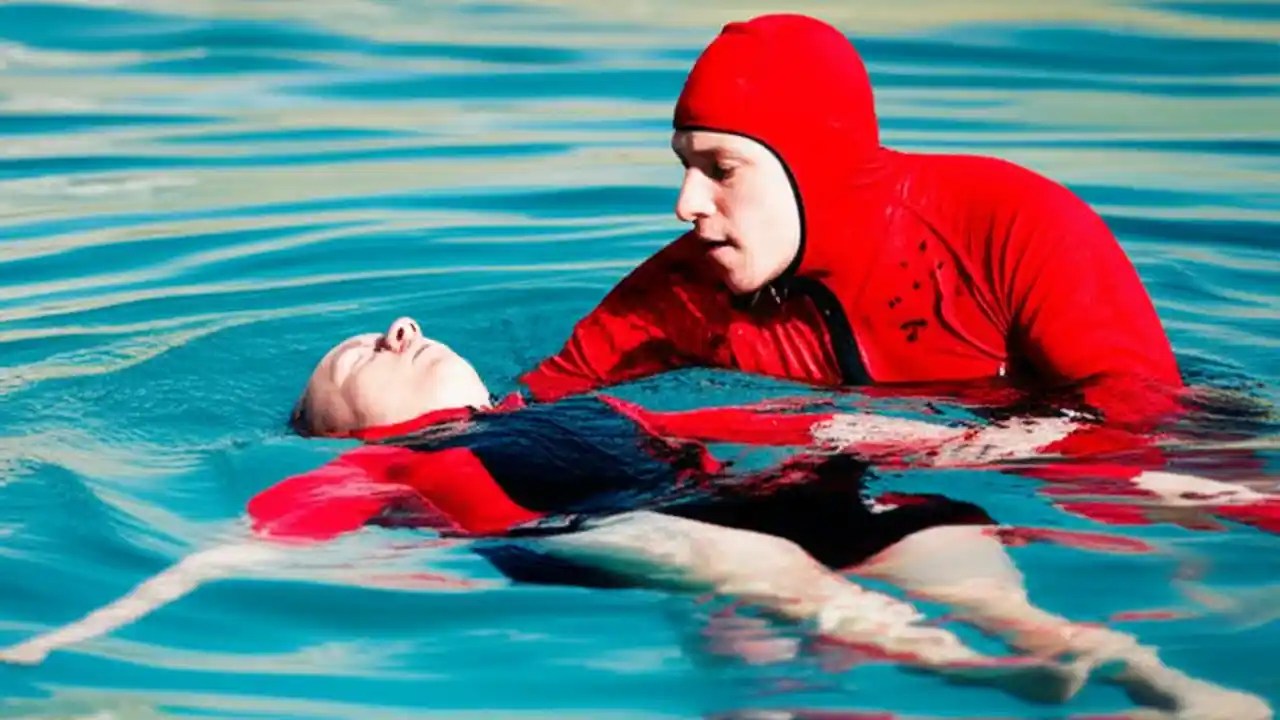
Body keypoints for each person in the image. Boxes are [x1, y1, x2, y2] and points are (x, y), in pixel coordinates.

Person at [1, 317, 1268, 720]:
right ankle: (973, 660)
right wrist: (79, 634)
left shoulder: (606, 407)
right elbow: (227, 555)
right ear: (336, 424)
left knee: (924, 514)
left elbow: (803, 433)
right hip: (600, 535)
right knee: (719, 559)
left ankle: (1095, 659)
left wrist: (1002, 436)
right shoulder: (374, 469)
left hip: (747, 493)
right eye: (359, 351)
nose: (396, 327)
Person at [518, 13, 1183, 432]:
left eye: (721, 169)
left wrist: (976, 446)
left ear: (811, 169)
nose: (686, 203)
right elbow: (528, 411)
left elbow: (1143, 416)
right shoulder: (683, 291)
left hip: (1046, 499)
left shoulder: (1008, 224)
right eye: (684, 167)